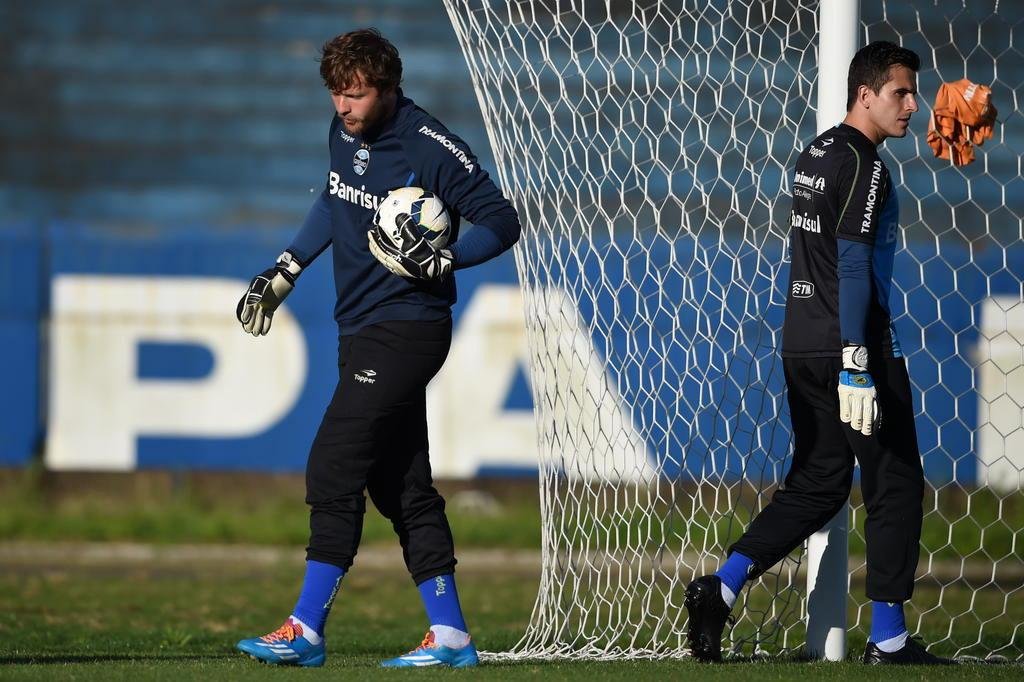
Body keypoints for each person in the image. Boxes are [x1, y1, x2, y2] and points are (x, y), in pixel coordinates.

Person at [233, 28, 520, 669]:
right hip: (357, 328)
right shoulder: (344, 133)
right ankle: (450, 637)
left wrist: (444, 260)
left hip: (409, 327)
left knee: (333, 465)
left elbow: (503, 219)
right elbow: (334, 204)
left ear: (389, 89)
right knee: (401, 485)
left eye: (358, 94)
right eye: (336, 93)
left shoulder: (429, 145)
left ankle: (305, 628)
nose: (344, 107)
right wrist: (285, 270)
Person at [684, 42, 954, 665]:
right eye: (901, 93)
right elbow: (854, 263)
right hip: (849, 345)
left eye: (914, 93)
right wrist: (858, 360)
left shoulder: (819, 150)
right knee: (895, 483)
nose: (913, 104)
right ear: (866, 94)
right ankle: (888, 638)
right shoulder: (865, 165)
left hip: (801, 340)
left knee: (820, 482)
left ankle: (720, 589)